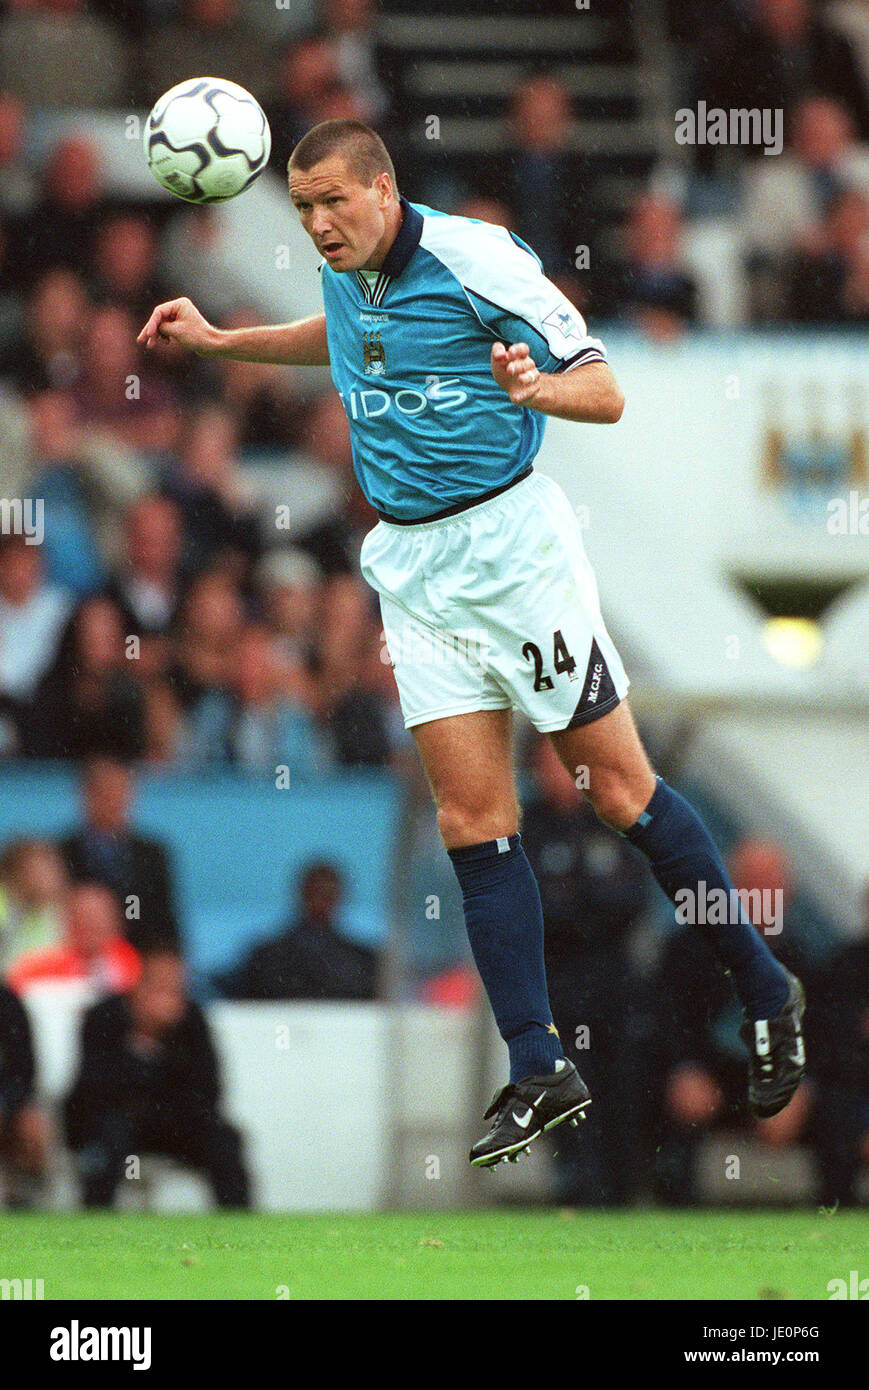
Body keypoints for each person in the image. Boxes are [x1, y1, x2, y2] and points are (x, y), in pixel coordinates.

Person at [137, 118, 805, 1169]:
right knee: (469, 817)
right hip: (411, 565)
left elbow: (604, 383)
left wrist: (538, 387)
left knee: (617, 792)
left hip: (511, 556)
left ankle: (764, 985)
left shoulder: (475, 257)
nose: (316, 225)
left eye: (331, 204)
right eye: (302, 208)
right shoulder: (348, 272)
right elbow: (341, 333)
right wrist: (226, 342)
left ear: (384, 190)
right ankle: (538, 1064)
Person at [63, 944, 250, 1208]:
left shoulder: (192, 1021)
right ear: (139, 987)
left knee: (224, 1139)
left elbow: (209, 1089)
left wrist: (167, 1044)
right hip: (119, 1120)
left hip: (174, 1121)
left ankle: (238, 1227)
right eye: (161, 987)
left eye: (177, 989)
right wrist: (142, 1045)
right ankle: (95, 1225)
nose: (170, 999)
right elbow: (93, 1087)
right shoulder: (103, 1017)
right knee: (107, 1140)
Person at [60, 756, 180, 951]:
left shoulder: (152, 856)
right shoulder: (60, 854)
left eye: (121, 790)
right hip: (76, 961)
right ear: (85, 796)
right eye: (105, 791)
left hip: (139, 960)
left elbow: (164, 925)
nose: (115, 800)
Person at [221, 860, 377, 1001]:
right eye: (316, 893)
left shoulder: (364, 961)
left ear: (340, 897)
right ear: (302, 894)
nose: (321, 902)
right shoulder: (266, 957)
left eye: (327, 894)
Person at [0, 981, 48, 1207]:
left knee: (32, 1126)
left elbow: (24, 1070)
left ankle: (25, 1202)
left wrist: (5, 1104)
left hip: (6, 1102)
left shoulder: (7, 1001)